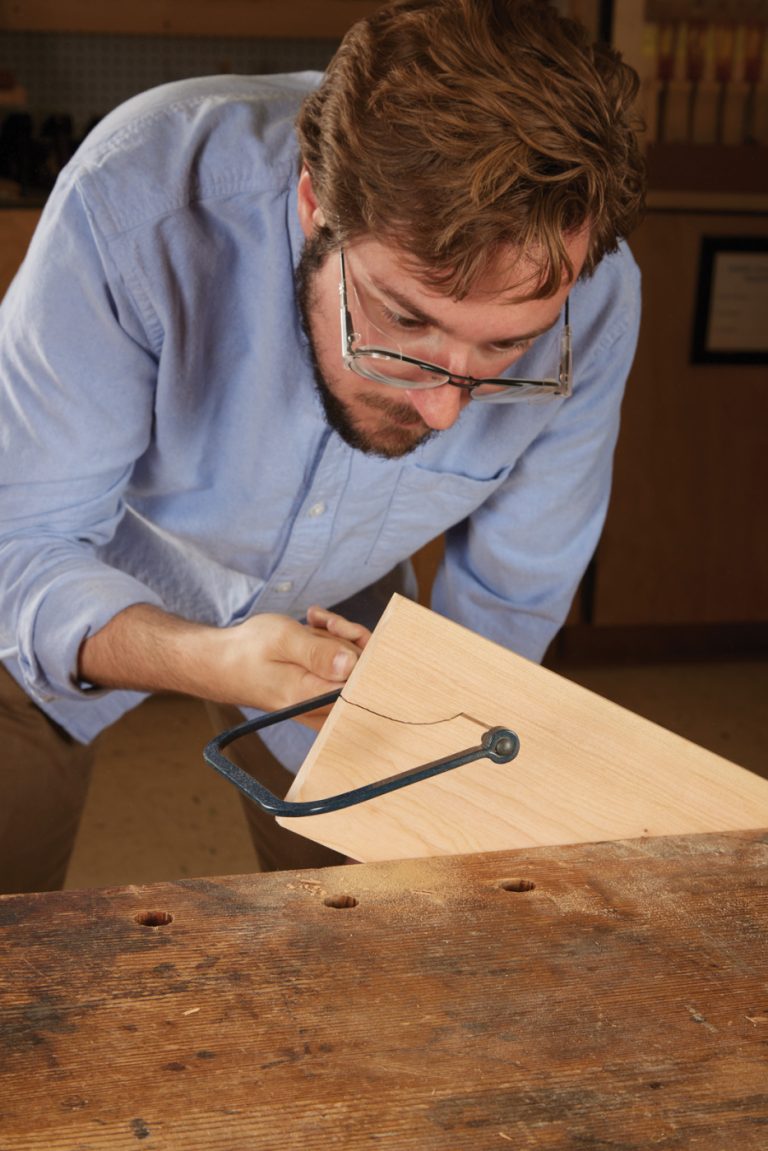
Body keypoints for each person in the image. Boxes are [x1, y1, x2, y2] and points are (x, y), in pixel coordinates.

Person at [0, 0, 645, 893]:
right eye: (403, 321)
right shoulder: (136, 201)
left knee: (386, 919)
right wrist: (205, 654)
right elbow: (23, 545)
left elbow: (509, 595)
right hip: (79, 561)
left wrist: (431, 745)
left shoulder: (597, 297)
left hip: (346, 590)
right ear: (314, 205)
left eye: (502, 350)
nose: (446, 410)